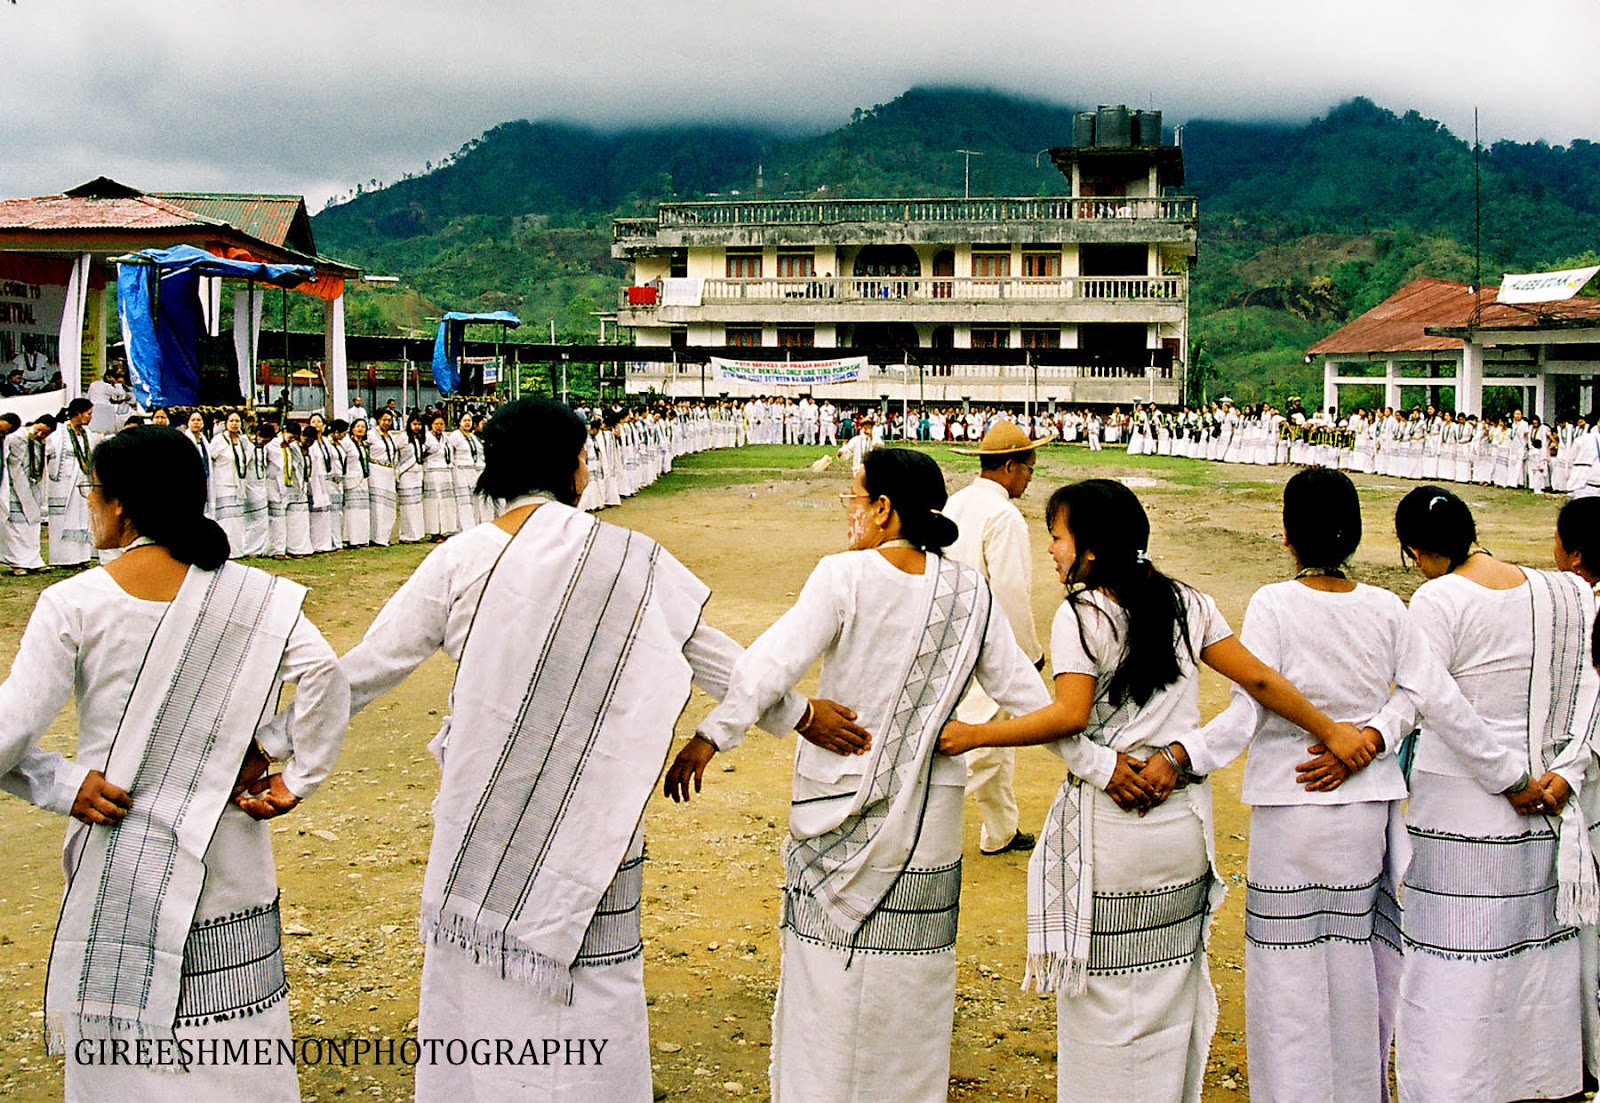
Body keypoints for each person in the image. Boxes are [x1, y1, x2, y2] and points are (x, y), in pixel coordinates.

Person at [307, 397, 865, 1103]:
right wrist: (801, 713)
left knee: (475, 978)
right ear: (574, 468)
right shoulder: (631, 559)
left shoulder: (462, 558)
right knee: (595, 983)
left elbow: (364, 669)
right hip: (595, 818)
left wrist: (271, 741)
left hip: (485, 816)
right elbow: (719, 658)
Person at [936, 479, 1370, 1103]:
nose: (1052, 551)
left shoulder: (1081, 615)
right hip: (1179, 823)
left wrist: (980, 732)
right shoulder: (1189, 603)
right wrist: (1331, 730)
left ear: (1090, 547)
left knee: (1105, 1004)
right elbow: (1262, 683)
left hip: (1115, 826)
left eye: (1057, 538)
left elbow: (1069, 716)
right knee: (1169, 991)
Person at [672, 447, 1051, 1103]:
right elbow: (1033, 699)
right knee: (914, 985)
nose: (846, 509)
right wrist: (1107, 762)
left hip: (836, 815)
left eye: (853, 495)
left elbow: (770, 661)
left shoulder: (842, 576)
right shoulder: (969, 592)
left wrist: (714, 733)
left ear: (882, 508)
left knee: (832, 985)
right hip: (926, 824)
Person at [0, 424, 347, 1102]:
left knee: (127, 1046)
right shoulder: (252, 596)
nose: (90, 505)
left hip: (120, 843)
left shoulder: (75, 602)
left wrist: (62, 783)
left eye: (92, 492)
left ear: (121, 505)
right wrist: (280, 758)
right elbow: (326, 678)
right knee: (233, 1033)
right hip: (228, 838)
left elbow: (7, 731)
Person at [1178, 468, 1508, 1103]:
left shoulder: (1276, 601)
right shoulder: (1387, 605)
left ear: (1287, 535)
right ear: (1354, 532)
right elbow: (1422, 692)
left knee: (1290, 975)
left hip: (1292, 803)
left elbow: (1249, 710)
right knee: (1357, 966)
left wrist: (1179, 757)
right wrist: (1372, 740)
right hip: (1364, 810)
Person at [1384, 486, 1599, 1102]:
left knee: (1455, 962)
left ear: (1416, 550)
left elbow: (1435, 697)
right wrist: (1569, 769)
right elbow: (1593, 682)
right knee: (1532, 950)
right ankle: (1543, 1078)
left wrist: (1506, 775)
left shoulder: (1438, 596)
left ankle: (1455, 1087)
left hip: (1468, 800)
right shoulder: (1565, 591)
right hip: (1550, 796)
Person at [946, 419, 1054, 855]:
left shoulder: (957, 502)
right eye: (1029, 467)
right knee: (983, 744)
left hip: (954, 632)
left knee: (997, 736)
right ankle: (904, 811)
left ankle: (1000, 830)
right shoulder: (1004, 516)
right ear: (1009, 466)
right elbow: (1011, 592)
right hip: (989, 643)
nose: (1030, 477)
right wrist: (1030, 654)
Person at [46, 397, 97, 568]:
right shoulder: (58, 433)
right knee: (62, 519)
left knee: (82, 517)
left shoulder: (87, 434)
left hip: (82, 480)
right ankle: (63, 559)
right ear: (78, 413)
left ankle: (81, 557)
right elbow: (47, 452)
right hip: (63, 482)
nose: (90, 417)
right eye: (88, 414)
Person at [5, 415, 53, 573]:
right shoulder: (17, 438)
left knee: (31, 528)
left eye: (45, 433)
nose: (40, 435)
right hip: (14, 489)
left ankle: (34, 560)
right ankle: (17, 563)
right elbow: (14, 467)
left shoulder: (40, 443)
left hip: (33, 489)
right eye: (39, 430)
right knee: (16, 528)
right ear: (35, 424)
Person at [207, 410, 249, 556]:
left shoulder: (243, 441)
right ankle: (225, 550)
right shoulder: (219, 440)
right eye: (231, 421)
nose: (234, 424)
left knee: (237, 520)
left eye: (237, 421)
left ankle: (237, 550)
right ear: (226, 423)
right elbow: (210, 458)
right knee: (226, 520)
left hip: (239, 485)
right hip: (223, 484)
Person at [421, 412, 457, 539]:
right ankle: (434, 531)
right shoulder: (426, 437)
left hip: (445, 471)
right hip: (432, 471)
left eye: (441, 424)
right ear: (431, 425)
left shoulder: (446, 438)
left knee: (446, 502)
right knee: (433, 502)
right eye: (436, 424)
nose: (439, 426)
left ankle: (446, 529)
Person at [368, 409, 400, 546]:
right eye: (384, 420)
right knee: (377, 506)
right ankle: (376, 536)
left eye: (389, 420)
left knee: (389, 506)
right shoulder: (371, 435)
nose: (387, 422)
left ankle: (385, 536)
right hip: (376, 470)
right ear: (378, 420)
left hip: (388, 472)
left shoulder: (391, 436)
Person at [446, 412, 482, 530]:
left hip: (473, 470)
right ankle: (465, 527)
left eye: (469, 421)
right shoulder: (455, 436)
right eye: (465, 420)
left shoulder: (473, 437)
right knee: (463, 501)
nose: (467, 423)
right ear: (459, 422)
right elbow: (449, 453)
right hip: (460, 470)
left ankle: (474, 525)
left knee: (474, 500)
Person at [342, 418, 372, 547]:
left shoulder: (364, 445)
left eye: (363, 427)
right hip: (352, 478)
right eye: (358, 426)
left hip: (363, 479)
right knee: (352, 511)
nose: (360, 429)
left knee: (362, 510)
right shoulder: (347, 443)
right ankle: (352, 539)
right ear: (352, 428)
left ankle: (362, 538)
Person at [396, 413, 426, 543]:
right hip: (406, 474)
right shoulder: (403, 437)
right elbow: (395, 453)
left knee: (417, 505)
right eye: (414, 424)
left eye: (419, 424)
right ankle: (406, 534)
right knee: (407, 506)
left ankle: (417, 534)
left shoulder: (420, 438)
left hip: (417, 473)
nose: (417, 427)